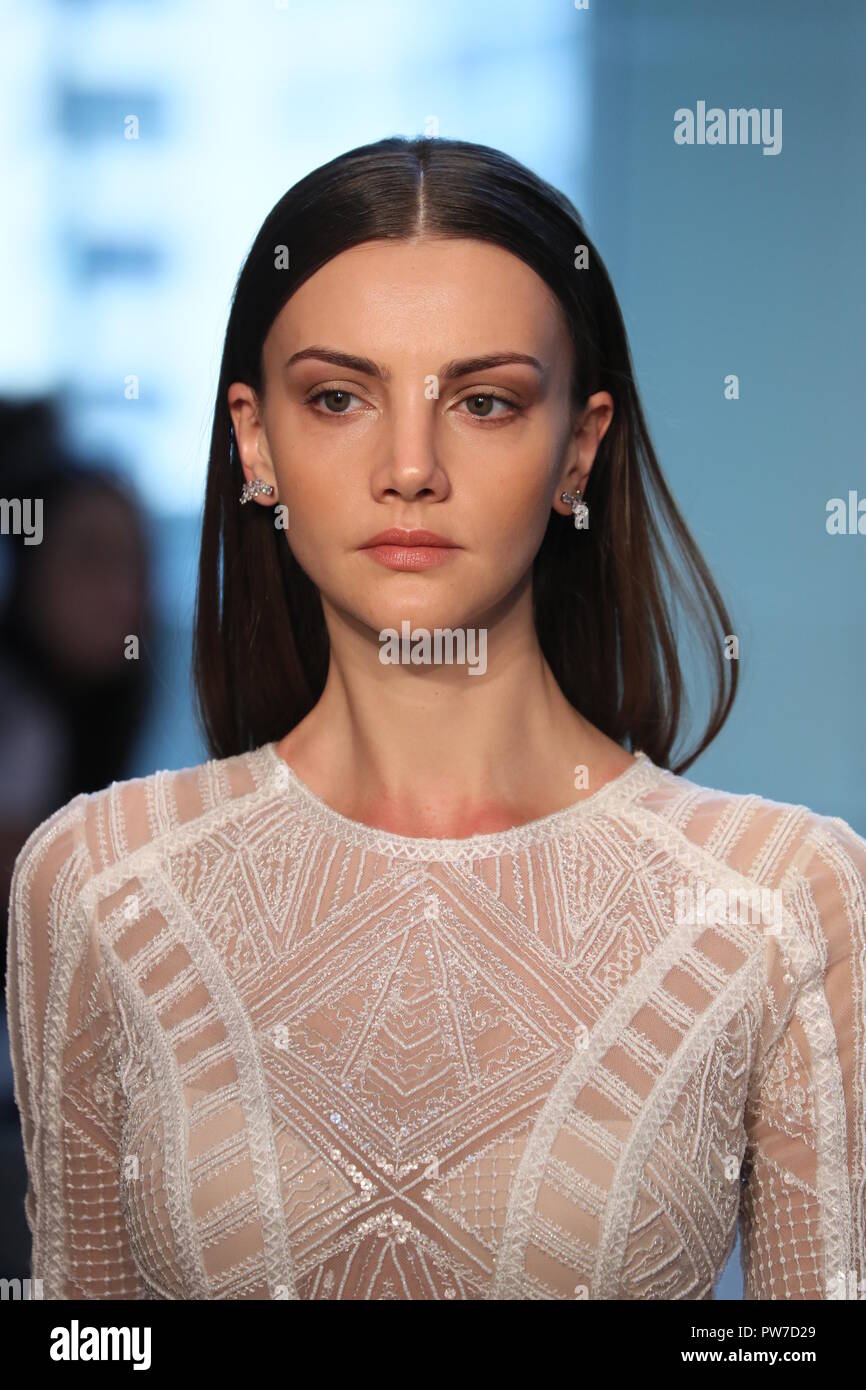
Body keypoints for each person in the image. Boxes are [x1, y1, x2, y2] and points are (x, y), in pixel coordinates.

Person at [5, 137, 865, 1301]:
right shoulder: (100, 884)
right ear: (256, 441)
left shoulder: (781, 902)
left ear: (578, 445)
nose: (409, 468)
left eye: (484, 401)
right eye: (339, 397)